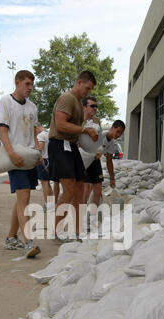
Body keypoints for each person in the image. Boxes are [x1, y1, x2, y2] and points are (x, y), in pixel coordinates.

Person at [48, 70, 98, 240]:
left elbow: (74, 129)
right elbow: (61, 125)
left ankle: (77, 231)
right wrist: (84, 130)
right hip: (60, 145)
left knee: (79, 188)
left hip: (71, 146)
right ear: (78, 82)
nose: (88, 92)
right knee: (69, 188)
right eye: (87, 88)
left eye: (90, 90)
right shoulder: (67, 98)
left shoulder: (77, 102)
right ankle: (57, 230)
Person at [0, 70, 41, 258]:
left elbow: (35, 129)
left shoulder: (32, 107)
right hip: (15, 158)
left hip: (29, 157)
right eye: (26, 84)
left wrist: (39, 148)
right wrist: (12, 154)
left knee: (23, 199)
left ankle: (10, 238)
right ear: (17, 82)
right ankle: (28, 242)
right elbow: (3, 131)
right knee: (24, 198)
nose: (30, 88)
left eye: (32, 84)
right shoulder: (5, 102)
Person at [82, 96, 103, 206]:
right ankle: (82, 214)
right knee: (85, 188)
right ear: (84, 107)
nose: (95, 108)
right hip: (82, 158)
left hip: (94, 158)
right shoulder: (78, 119)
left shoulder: (97, 121)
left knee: (98, 189)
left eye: (96, 106)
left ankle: (92, 215)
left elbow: (99, 139)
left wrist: (99, 151)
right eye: (92, 106)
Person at [36, 126, 55, 211]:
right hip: (51, 160)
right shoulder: (49, 134)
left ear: (37, 127)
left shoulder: (40, 135)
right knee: (48, 184)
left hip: (43, 160)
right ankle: (52, 204)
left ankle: (49, 205)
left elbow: (40, 148)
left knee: (45, 184)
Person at [102, 120, 126, 188]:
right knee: (87, 185)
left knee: (97, 185)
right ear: (112, 128)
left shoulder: (112, 143)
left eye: (121, 133)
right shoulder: (101, 135)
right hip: (85, 160)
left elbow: (109, 160)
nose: (118, 135)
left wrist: (112, 178)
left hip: (94, 162)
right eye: (118, 131)